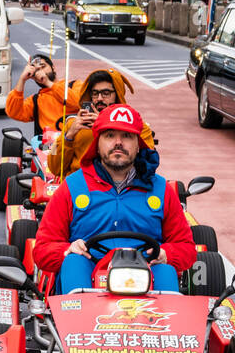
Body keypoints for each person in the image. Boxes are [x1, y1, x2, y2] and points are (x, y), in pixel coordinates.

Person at [34, 104, 196, 294]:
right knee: (73, 262)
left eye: (126, 136)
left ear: (138, 145)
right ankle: (74, 320)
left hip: (146, 269)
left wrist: (167, 254)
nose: (118, 142)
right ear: (97, 142)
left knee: (166, 270)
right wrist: (67, 249)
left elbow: (186, 248)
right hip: (89, 269)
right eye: (110, 135)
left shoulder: (162, 189)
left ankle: (172, 322)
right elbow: (42, 249)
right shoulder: (71, 187)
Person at [50, 68, 150, 178]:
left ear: (118, 95)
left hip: (120, 189)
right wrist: (68, 137)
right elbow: (53, 167)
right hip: (79, 189)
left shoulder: (138, 127)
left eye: (106, 93)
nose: (99, 98)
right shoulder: (72, 125)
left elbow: (148, 165)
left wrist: (104, 124)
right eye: (95, 93)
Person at [5, 54, 79, 138]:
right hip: (47, 146)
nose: (41, 72)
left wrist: (48, 83)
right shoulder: (35, 100)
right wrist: (22, 79)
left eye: (43, 67)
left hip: (74, 141)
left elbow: (77, 102)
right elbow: (14, 113)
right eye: (36, 71)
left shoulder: (74, 85)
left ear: (53, 68)